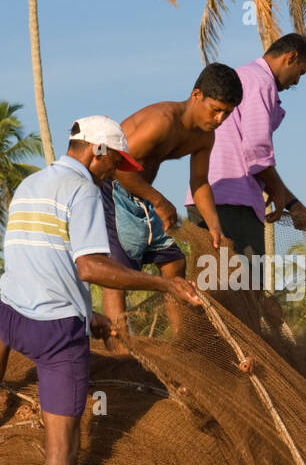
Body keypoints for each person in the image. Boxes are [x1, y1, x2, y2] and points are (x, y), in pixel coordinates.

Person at [0, 116, 200, 465]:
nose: (115, 173)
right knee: (62, 446)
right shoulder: (84, 191)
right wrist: (165, 286)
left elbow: (41, 265)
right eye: (115, 162)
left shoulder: (29, 184)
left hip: (14, 316)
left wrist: (87, 315)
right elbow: (89, 268)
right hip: (55, 335)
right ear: (96, 152)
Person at [100, 62, 243, 331]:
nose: (220, 120)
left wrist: (214, 226)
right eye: (216, 110)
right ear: (196, 95)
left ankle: (181, 342)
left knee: (174, 261)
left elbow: (199, 182)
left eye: (227, 113)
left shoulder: (205, 137)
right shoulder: (161, 123)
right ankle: (120, 349)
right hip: (110, 191)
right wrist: (160, 201)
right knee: (119, 273)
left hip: (141, 196)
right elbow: (115, 167)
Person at [185, 32, 306, 258]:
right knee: (243, 288)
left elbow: (254, 159)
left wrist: (291, 202)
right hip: (232, 207)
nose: (296, 81)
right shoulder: (260, 81)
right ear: (291, 58)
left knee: (216, 286)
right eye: (300, 73)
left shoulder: (244, 77)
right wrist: (282, 195)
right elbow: (257, 150)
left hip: (208, 200)